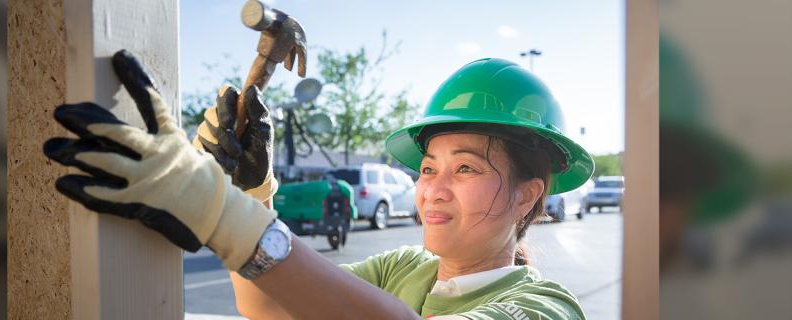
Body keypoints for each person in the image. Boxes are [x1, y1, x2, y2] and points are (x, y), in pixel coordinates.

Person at [43, 51, 594, 319]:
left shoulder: (545, 306)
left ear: (530, 193)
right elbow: (271, 309)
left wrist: (219, 213)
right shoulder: (402, 269)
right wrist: (249, 194)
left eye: (466, 168)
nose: (433, 190)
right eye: (428, 168)